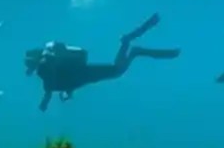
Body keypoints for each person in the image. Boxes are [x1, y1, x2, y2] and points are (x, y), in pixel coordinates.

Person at [23, 13, 180, 111]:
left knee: (117, 70)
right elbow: (53, 89)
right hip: (86, 72)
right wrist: (61, 95)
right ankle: (129, 42)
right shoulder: (50, 76)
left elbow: (50, 91)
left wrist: (46, 103)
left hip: (87, 73)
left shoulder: (48, 76)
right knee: (116, 68)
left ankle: (133, 46)